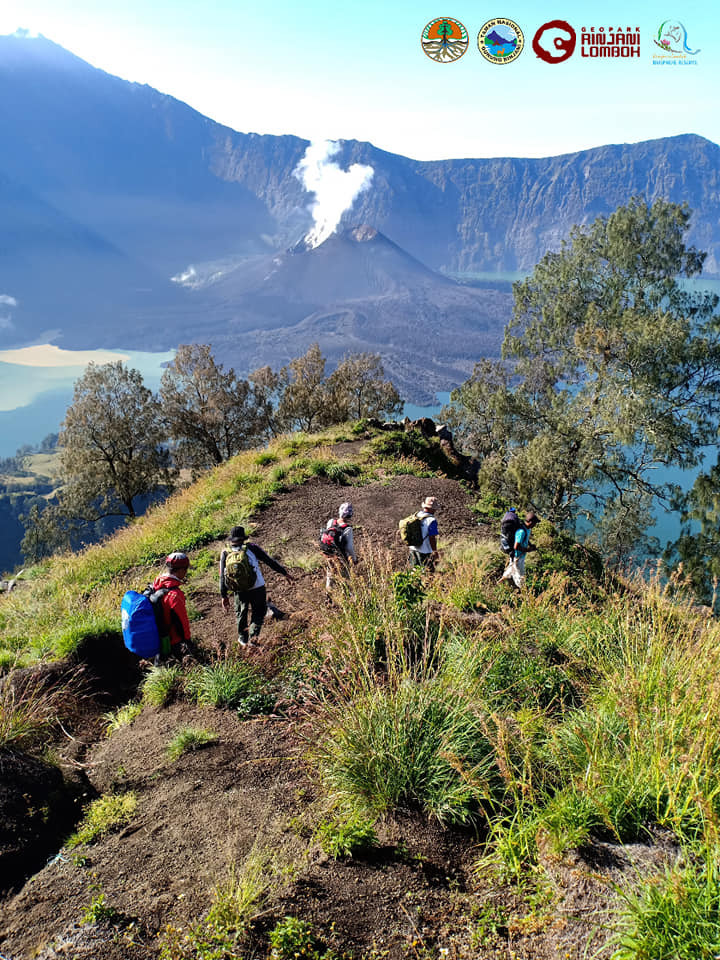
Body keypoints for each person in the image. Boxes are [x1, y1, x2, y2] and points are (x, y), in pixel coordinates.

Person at [220, 526, 294, 647]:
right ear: (243, 538)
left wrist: (224, 595)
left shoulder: (225, 552)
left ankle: (243, 640)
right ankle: (253, 639)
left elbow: (222, 577)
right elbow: (269, 561)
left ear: (231, 539)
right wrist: (284, 573)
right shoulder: (251, 548)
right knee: (259, 612)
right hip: (257, 587)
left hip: (239, 589)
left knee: (241, 613)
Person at [151, 551, 195, 662]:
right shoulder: (174, 594)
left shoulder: (157, 584)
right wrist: (188, 641)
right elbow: (182, 621)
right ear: (180, 570)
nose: (186, 572)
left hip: (158, 637)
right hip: (174, 640)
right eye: (185, 569)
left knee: (161, 664)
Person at [322, 501, 357, 592]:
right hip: (340, 556)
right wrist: (354, 558)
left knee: (330, 574)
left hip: (328, 554)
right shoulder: (347, 528)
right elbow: (349, 547)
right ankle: (346, 595)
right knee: (346, 577)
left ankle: (328, 595)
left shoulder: (331, 522)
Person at [499, 512, 539, 587]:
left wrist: (530, 545)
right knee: (520, 575)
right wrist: (528, 550)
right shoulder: (521, 532)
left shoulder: (527, 529)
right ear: (530, 522)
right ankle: (523, 590)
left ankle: (501, 581)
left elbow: (525, 539)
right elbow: (516, 546)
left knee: (511, 569)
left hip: (519, 556)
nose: (535, 525)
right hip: (517, 556)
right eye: (535, 523)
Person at [408, 496, 439, 571]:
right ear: (433, 509)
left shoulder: (416, 515)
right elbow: (432, 538)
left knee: (414, 572)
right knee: (428, 574)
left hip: (413, 549)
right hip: (425, 552)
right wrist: (435, 552)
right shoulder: (432, 520)